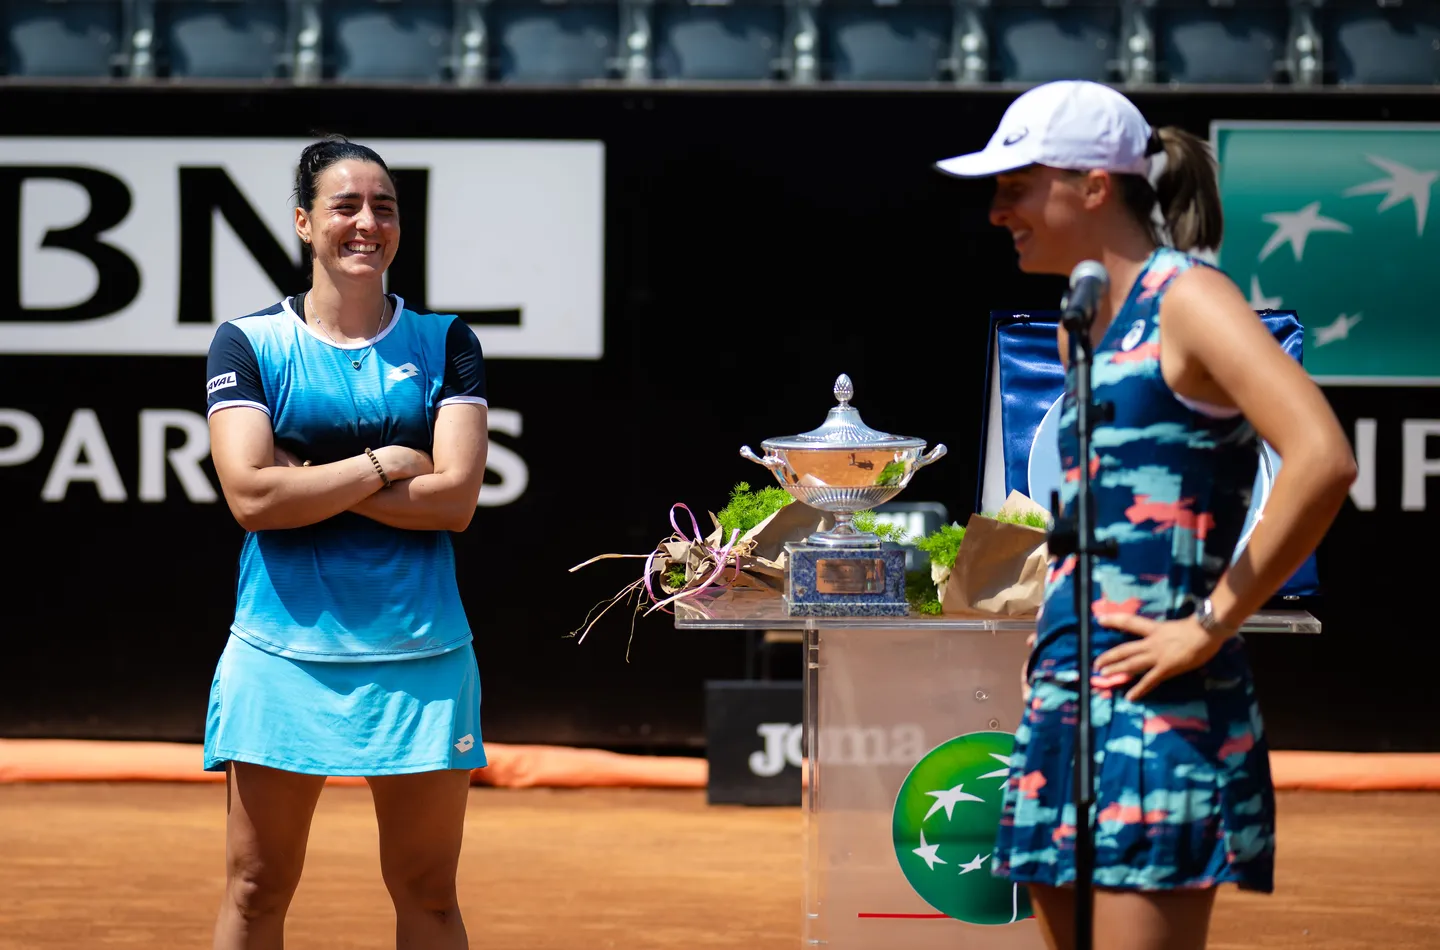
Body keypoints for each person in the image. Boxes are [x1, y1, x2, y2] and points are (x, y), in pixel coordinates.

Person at [935, 81, 1357, 950]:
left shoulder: (1191, 300)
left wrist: (1208, 628)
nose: (997, 211)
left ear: (1094, 185)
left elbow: (1323, 458)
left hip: (1163, 700)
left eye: (1016, 184)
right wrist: (1055, 630)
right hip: (1067, 690)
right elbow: (1090, 514)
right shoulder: (1078, 326)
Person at [203, 135, 490, 950]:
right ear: (302, 222)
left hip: (422, 659)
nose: (368, 222)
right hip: (279, 656)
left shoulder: (447, 342)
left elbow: (456, 501)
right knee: (256, 890)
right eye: (346, 206)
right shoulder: (247, 343)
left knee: (430, 893)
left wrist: (313, 482)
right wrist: (381, 465)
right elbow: (252, 497)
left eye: (385, 207)